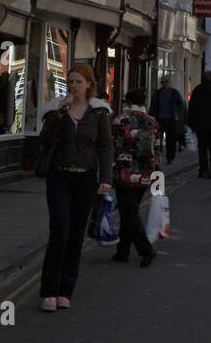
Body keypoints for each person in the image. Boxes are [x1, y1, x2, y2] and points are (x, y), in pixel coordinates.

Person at [38, 64, 113, 311]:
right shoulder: (56, 110)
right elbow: (45, 140)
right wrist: (59, 116)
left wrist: (106, 178)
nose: (73, 86)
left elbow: (105, 147)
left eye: (78, 82)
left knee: (75, 236)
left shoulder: (99, 113)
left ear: (89, 84)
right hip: (59, 176)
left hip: (86, 179)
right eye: (70, 81)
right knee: (59, 230)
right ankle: (49, 290)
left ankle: (65, 290)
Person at [110, 88, 161, 266]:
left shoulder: (120, 120)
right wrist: (157, 175)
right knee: (130, 211)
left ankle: (146, 249)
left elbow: (113, 146)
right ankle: (122, 251)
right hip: (145, 173)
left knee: (129, 212)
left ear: (127, 101)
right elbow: (156, 149)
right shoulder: (152, 121)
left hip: (125, 172)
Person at [186, 71, 211, 178]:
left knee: (202, 148)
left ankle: (203, 169)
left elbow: (192, 108)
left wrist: (191, 123)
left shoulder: (197, 90)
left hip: (200, 125)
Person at [149, 75, 184, 164]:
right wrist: (152, 116)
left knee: (171, 139)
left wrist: (177, 114)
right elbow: (153, 105)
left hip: (171, 118)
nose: (164, 84)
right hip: (159, 118)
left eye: (166, 82)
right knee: (157, 139)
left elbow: (181, 105)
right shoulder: (157, 93)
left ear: (169, 83)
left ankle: (170, 157)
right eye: (163, 82)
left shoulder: (174, 93)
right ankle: (158, 155)